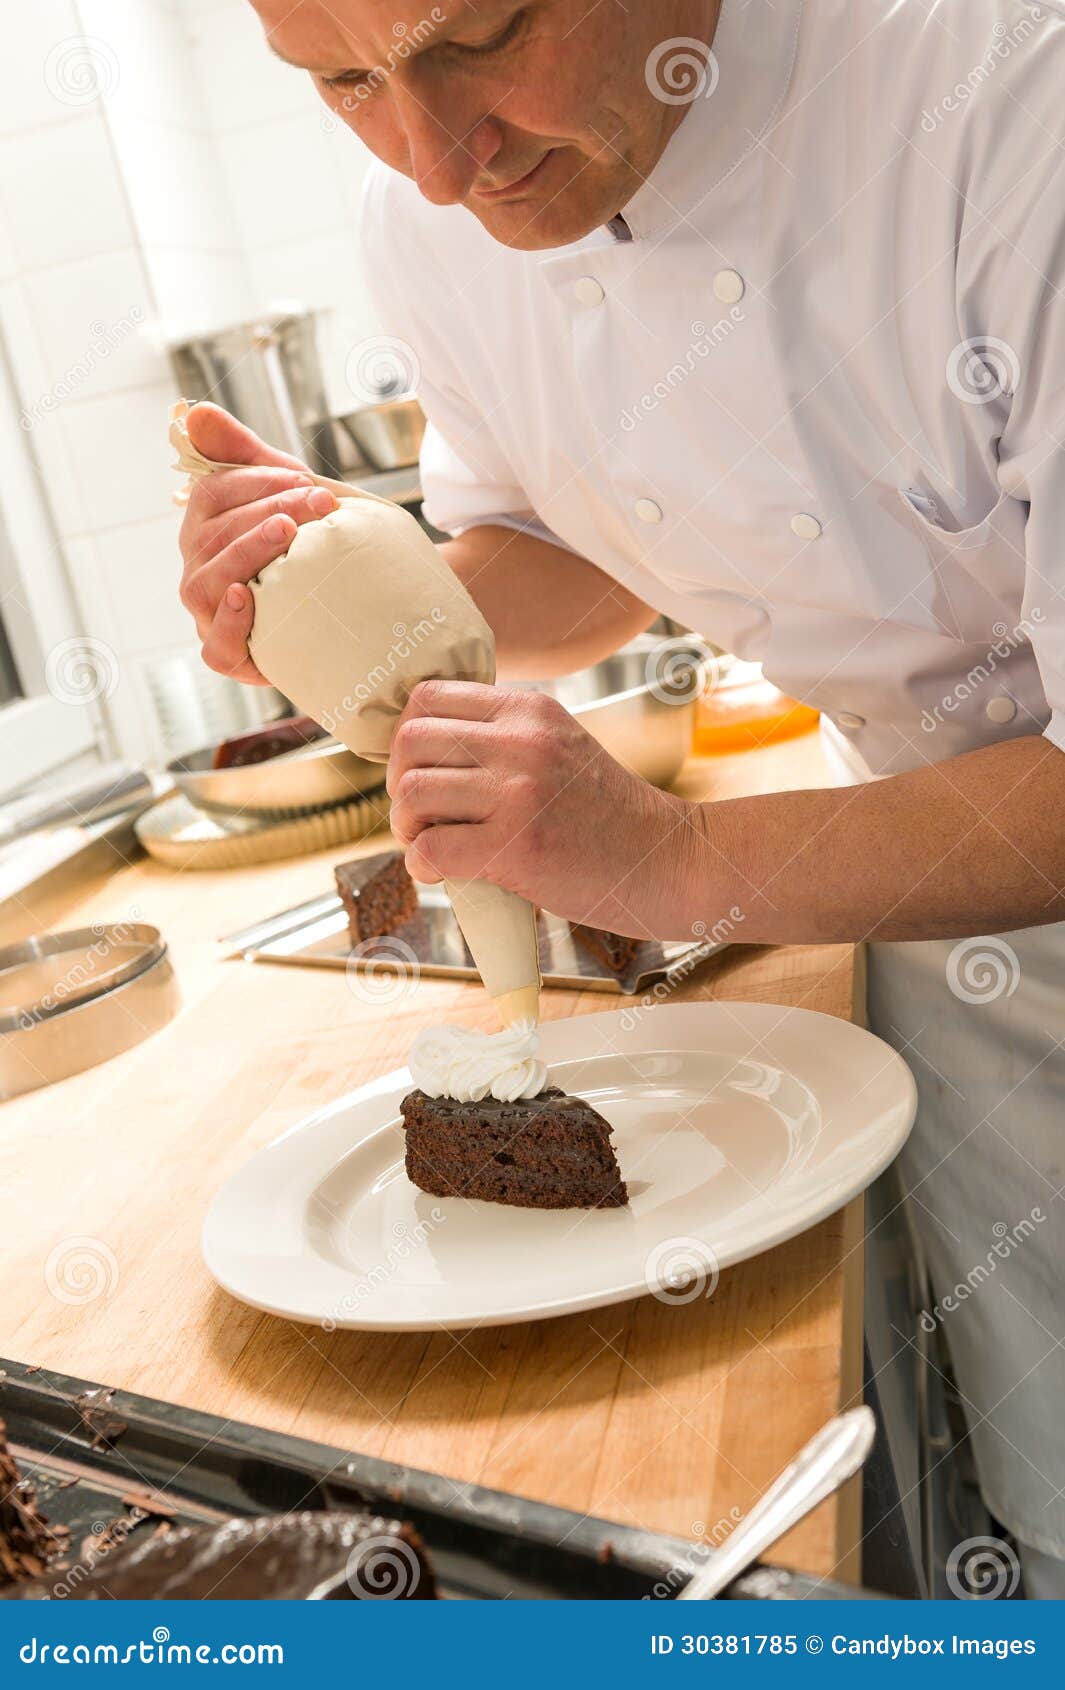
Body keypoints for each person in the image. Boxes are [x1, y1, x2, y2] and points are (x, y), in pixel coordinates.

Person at [177, 0, 1065, 1594]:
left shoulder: (1005, 91)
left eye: (482, 33)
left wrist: (674, 854)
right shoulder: (425, 225)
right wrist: (352, 594)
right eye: (343, 82)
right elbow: (578, 551)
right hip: (930, 912)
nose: (433, 162)